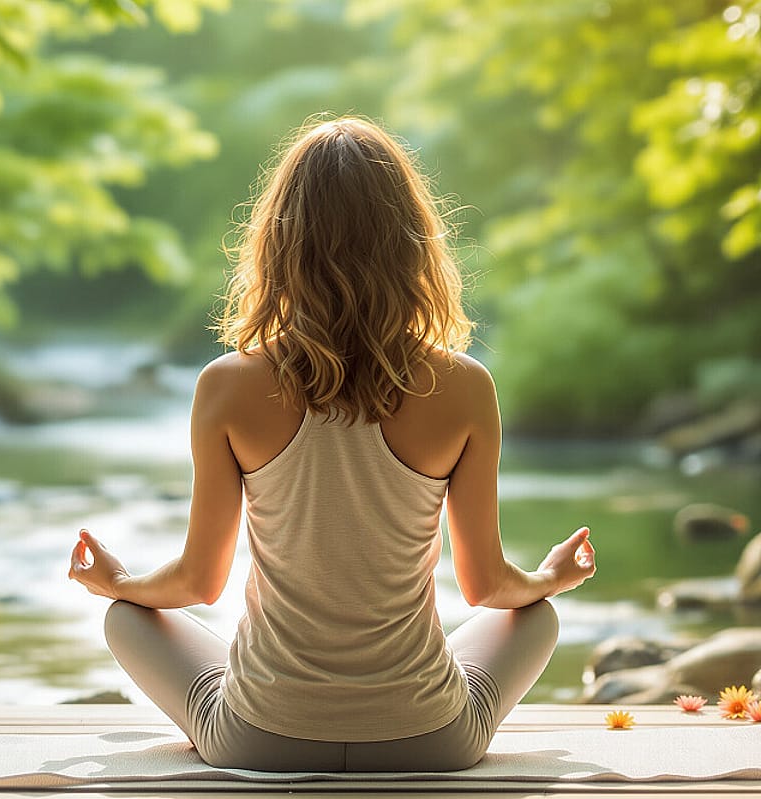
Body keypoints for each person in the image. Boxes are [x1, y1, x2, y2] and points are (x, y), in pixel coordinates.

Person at [66, 116, 596, 772]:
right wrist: (551, 576)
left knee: (125, 616)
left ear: (280, 244)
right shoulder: (465, 386)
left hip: (261, 735)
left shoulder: (226, 386)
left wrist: (118, 580)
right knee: (536, 614)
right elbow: (487, 587)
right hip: (430, 739)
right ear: (411, 246)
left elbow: (200, 583)